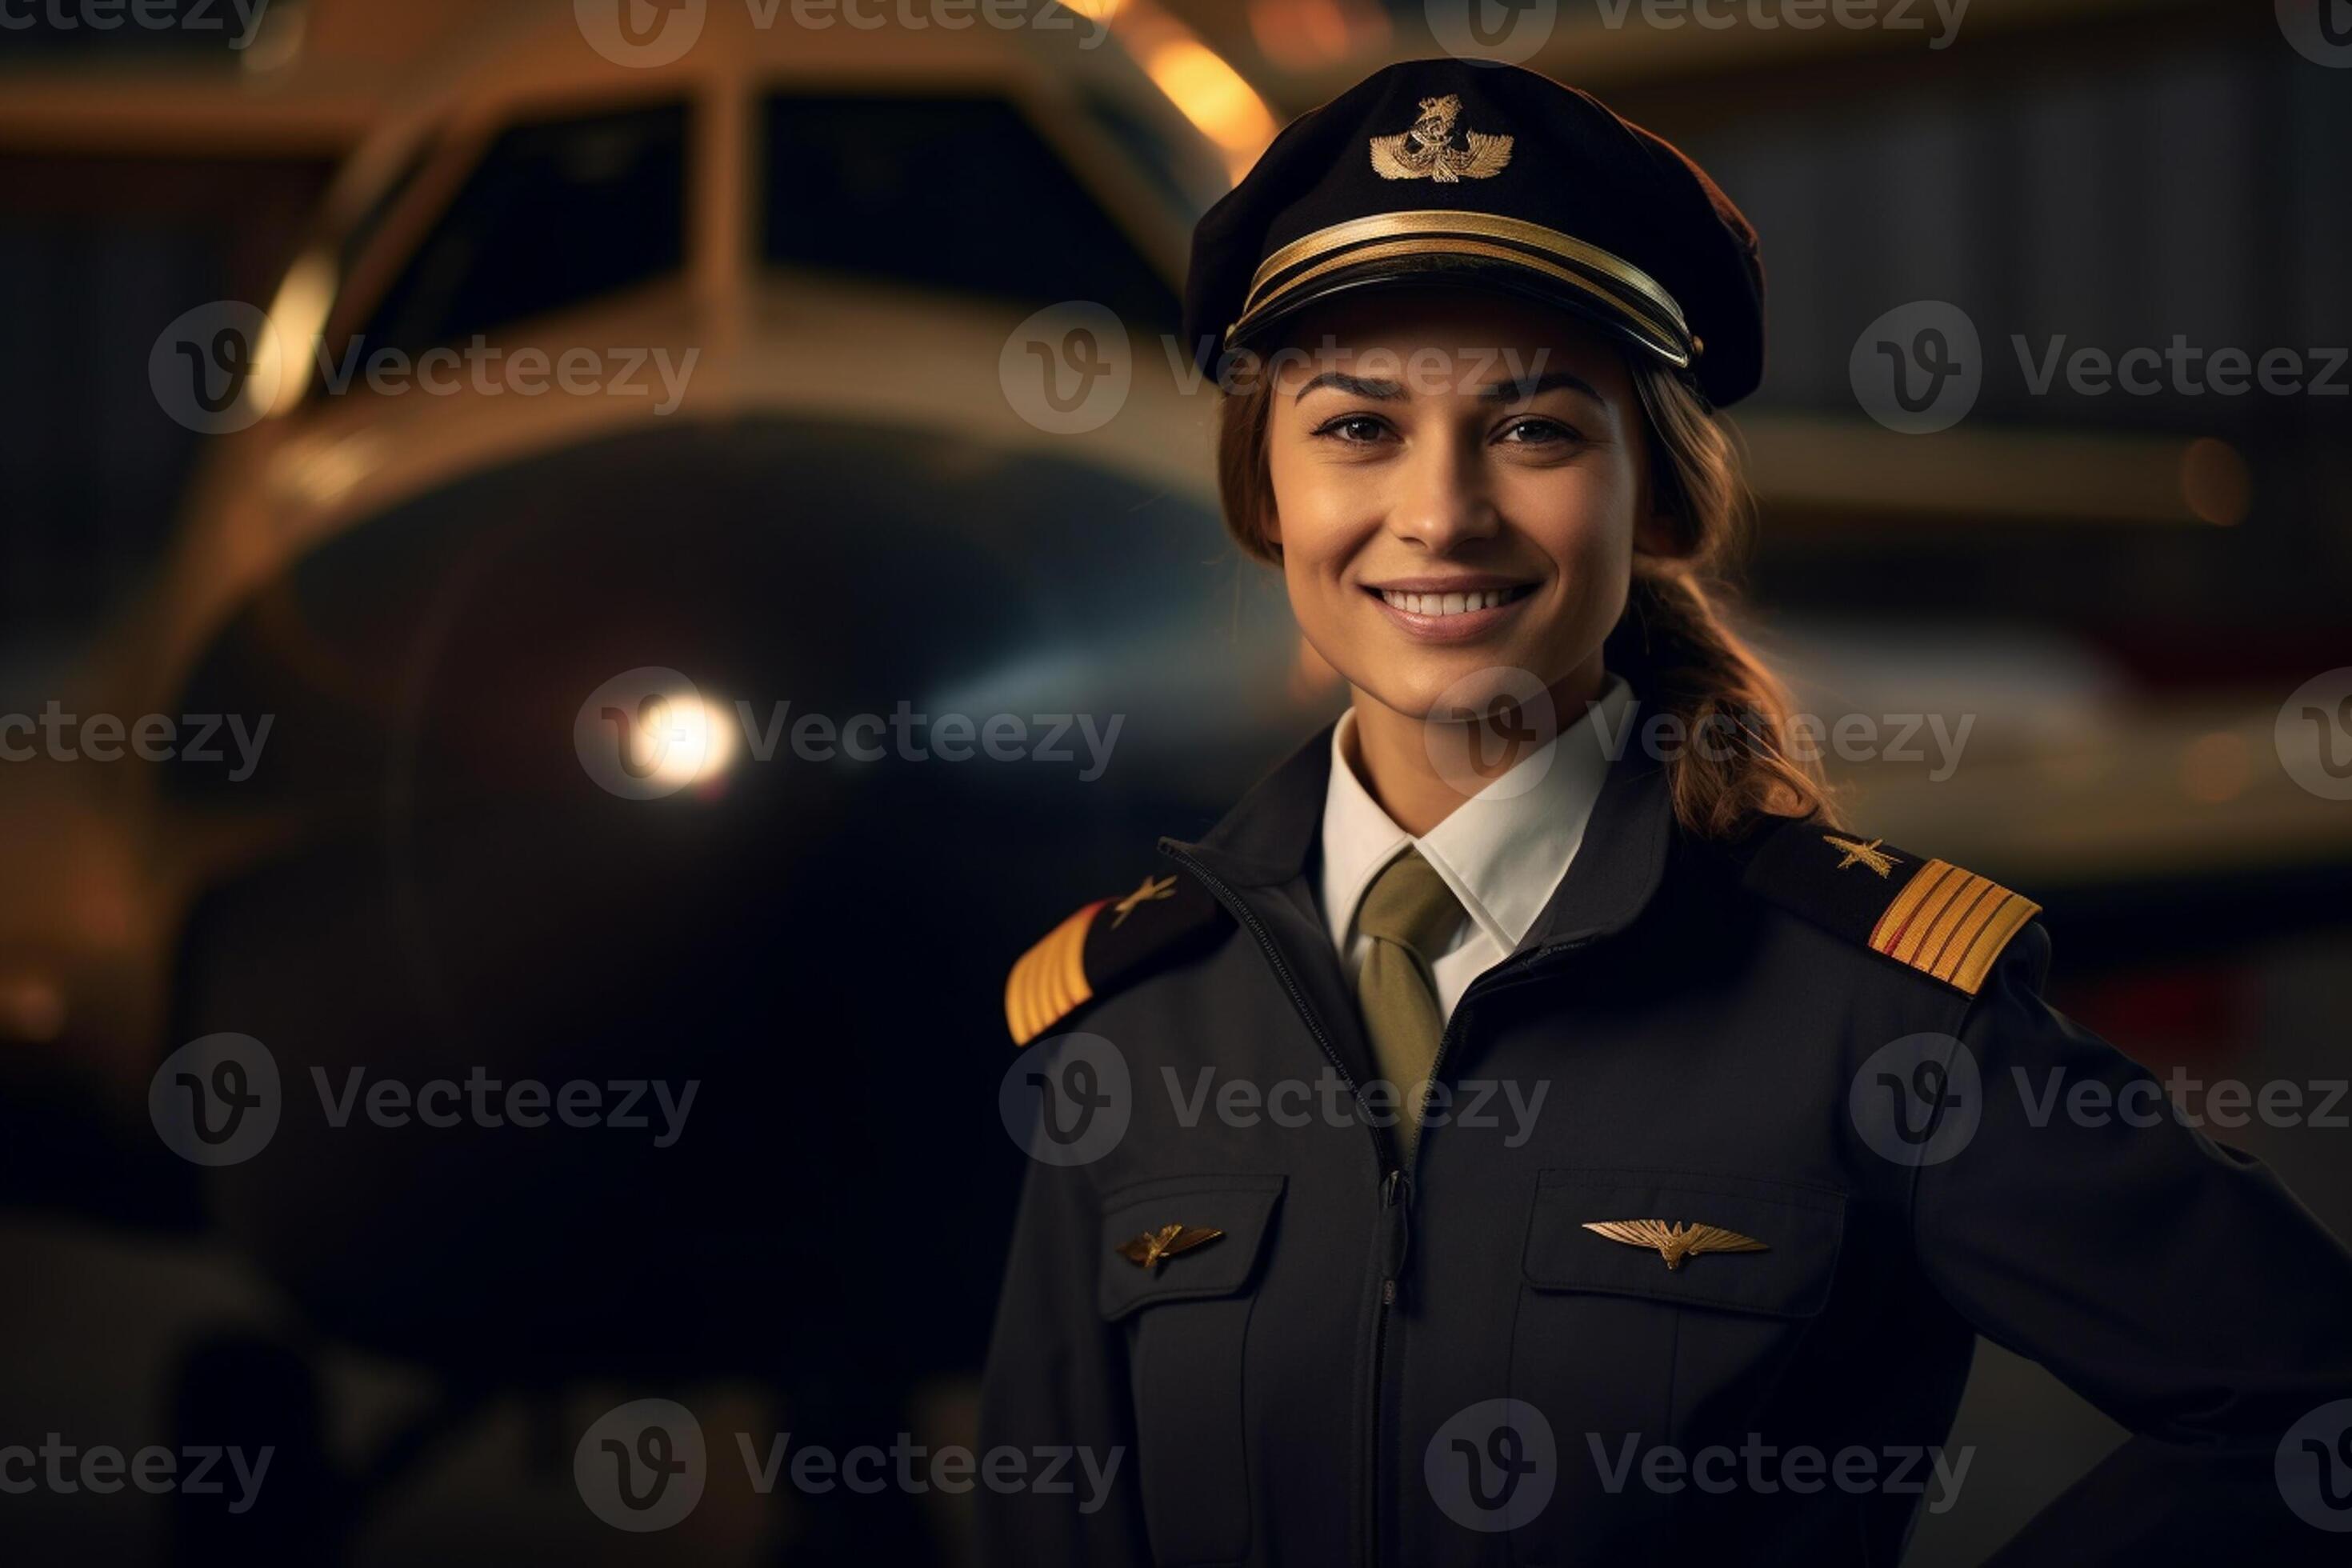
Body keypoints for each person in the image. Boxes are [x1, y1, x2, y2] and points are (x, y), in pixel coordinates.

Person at [977, 58, 2352, 1566]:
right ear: (1265, 500)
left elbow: (2303, 1404)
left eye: (1537, 430)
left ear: (1667, 500)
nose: (1440, 513)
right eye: (1356, 428)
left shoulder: (1872, 1009)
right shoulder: (1125, 1027)